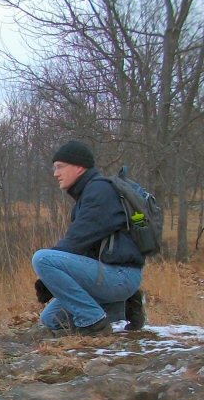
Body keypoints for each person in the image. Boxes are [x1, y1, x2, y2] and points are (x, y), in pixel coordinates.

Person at [32, 140, 146, 335]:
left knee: (42, 259)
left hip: (120, 275)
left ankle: (93, 322)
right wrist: (53, 279)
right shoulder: (88, 194)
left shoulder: (99, 192)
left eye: (60, 167)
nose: (55, 173)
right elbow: (87, 246)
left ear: (78, 167)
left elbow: (77, 240)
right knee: (51, 319)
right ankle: (125, 306)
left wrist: (47, 275)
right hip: (112, 275)